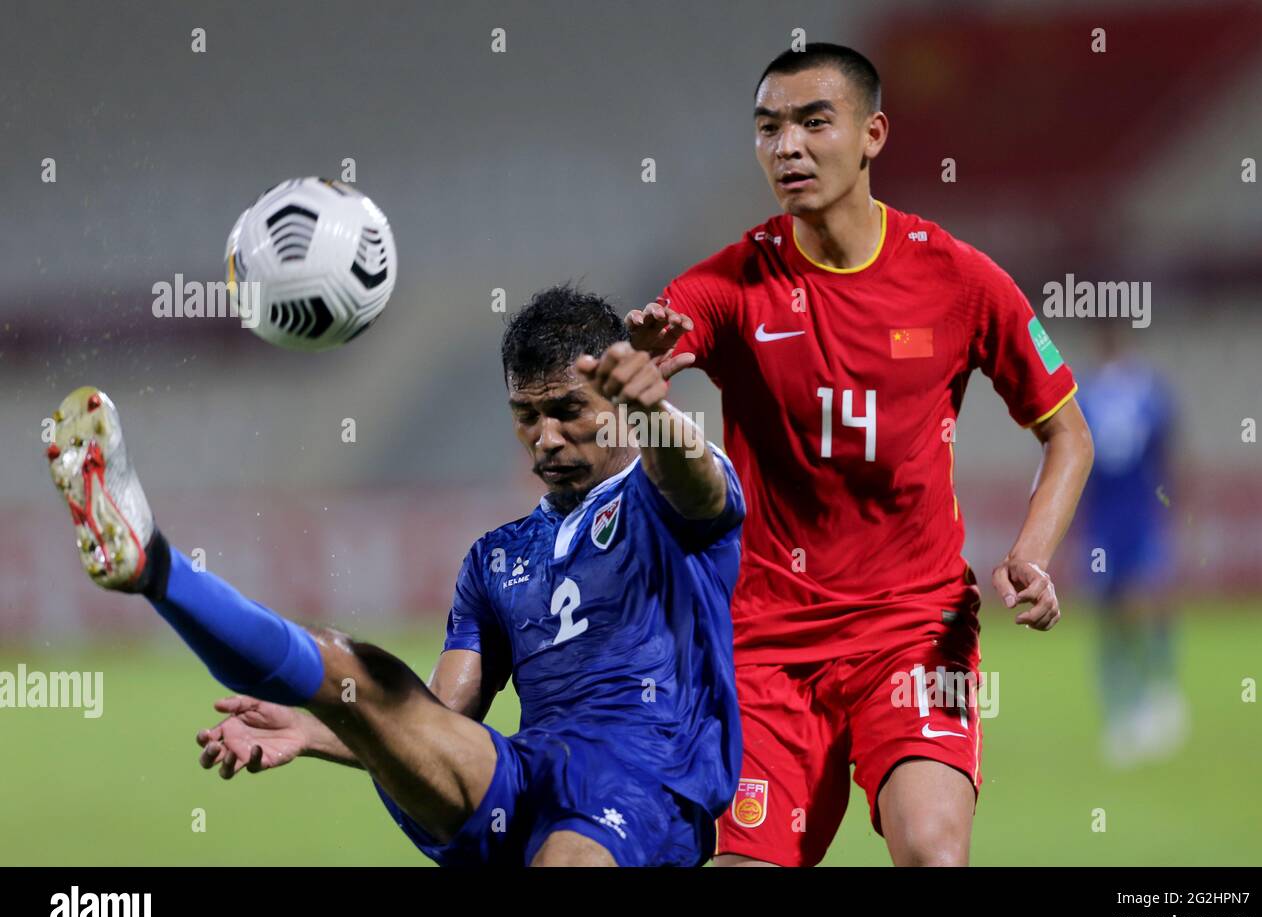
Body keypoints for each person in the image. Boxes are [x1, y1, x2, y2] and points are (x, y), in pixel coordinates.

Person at [45, 284, 745, 867]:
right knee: (355, 672)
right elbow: (439, 720)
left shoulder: (662, 498)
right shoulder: (496, 558)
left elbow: (695, 484)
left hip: (650, 781)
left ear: (615, 403)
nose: (546, 436)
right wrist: (320, 727)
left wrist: (652, 407)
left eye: (567, 410)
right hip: (528, 777)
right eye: (526, 416)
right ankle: (155, 566)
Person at [628, 43, 1095, 866]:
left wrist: (1031, 554)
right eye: (768, 128)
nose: (787, 147)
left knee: (933, 852)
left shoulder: (959, 279)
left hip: (916, 629)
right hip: (767, 645)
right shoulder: (734, 281)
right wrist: (634, 370)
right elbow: (657, 340)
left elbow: (1068, 432)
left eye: (814, 122)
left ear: (873, 134)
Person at [1077, 326, 1184, 767]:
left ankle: (1158, 694)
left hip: (1134, 516)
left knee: (1143, 602)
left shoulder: (1146, 393)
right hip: (1106, 520)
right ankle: (1125, 710)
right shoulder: (1087, 396)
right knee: (1110, 613)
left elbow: (1165, 455)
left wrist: (1169, 506)